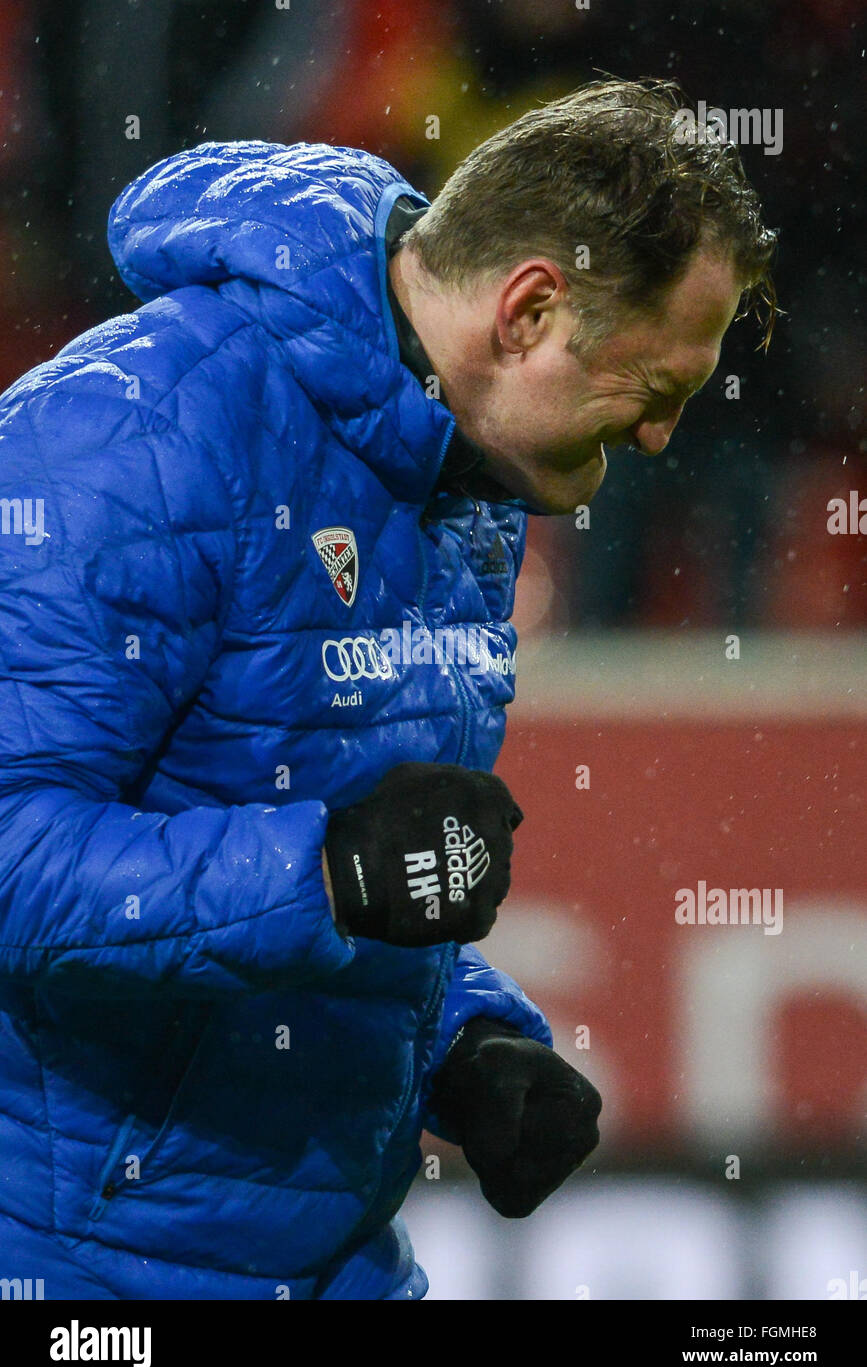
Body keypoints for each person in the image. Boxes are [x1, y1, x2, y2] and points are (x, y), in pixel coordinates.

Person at [0, 79, 774, 1300]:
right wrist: (332, 874)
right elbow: (14, 858)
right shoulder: (126, 440)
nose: (666, 442)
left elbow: (331, 850)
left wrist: (463, 1046)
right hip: (87, 1275)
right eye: (656, 392)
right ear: (529, 309)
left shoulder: (470, 478)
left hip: (336, 1255)